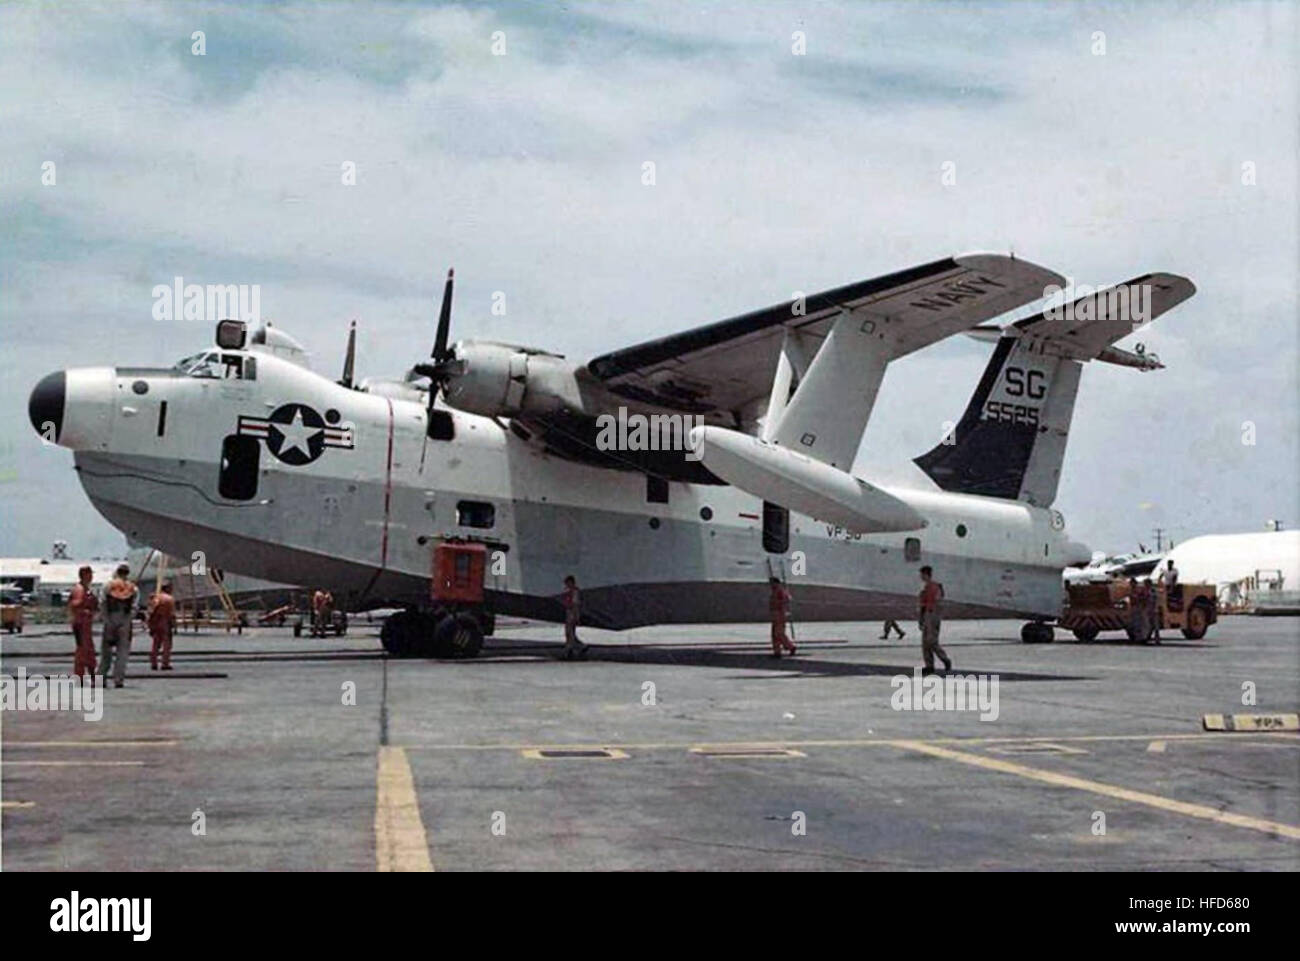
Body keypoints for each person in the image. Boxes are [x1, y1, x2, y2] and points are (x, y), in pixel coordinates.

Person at [100, 563, 138, 689]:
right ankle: (118, 679)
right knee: (122, 653)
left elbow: (102, 603)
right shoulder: (133, 588)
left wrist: (107, 620)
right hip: (125, 621)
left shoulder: (108, 586)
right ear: (127, 573)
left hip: (110, 619)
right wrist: (128, 621)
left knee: (106, 652)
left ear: (117, 572)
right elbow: (134, 608)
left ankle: (101, 677)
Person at [917, 565, 952, 675]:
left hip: (933, 614)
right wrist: (921, 618)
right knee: (925, 642)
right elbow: (922, 604)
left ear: (927, 575)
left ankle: (944, 659)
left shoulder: (935, 587)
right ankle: (929, 665)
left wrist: (936, 615)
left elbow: (938, 602)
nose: (921, 576)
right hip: (927, 614)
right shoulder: (926, 588)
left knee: (932, 641)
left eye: (922, 574)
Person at [68, 565, 98, 684]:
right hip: (81, 624)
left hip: (85, 624)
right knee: (83, 651)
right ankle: (80, 676)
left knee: (88, 650)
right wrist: (86, 610)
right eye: (89, 574)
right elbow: (75, 604)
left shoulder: (86, 589)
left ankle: (91, 675)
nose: (91, 577)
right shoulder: (80, 589)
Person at [148, 583, 177, 671]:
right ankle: (165, 663)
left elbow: (150, 612)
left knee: (155, 643)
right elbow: (172, 614)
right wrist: (174, 625)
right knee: (166, 644)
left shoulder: (155, 598)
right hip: (165, 621)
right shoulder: (169, 599)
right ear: (167, 589)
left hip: (156, 621)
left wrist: (150, 624)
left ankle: (154, 662)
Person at [560, 575, 588, 660]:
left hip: (572, 613)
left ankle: (570, 649)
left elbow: (576, 605)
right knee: (569, 633)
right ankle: (578, 646)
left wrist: (577, 616)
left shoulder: (574, 592)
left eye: (567, 583)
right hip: (569, 612)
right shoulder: (569, 591)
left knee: (570, 632)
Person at [768, 577, 797, 658]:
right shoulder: (775, 591)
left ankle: (790, 646)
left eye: (772, 583)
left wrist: (782, 611)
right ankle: (777, 651)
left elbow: (783, 602)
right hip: (775, 614)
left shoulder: (780, 591)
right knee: (774, 634)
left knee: (779, 633)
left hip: (779, 614)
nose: (770, 584)